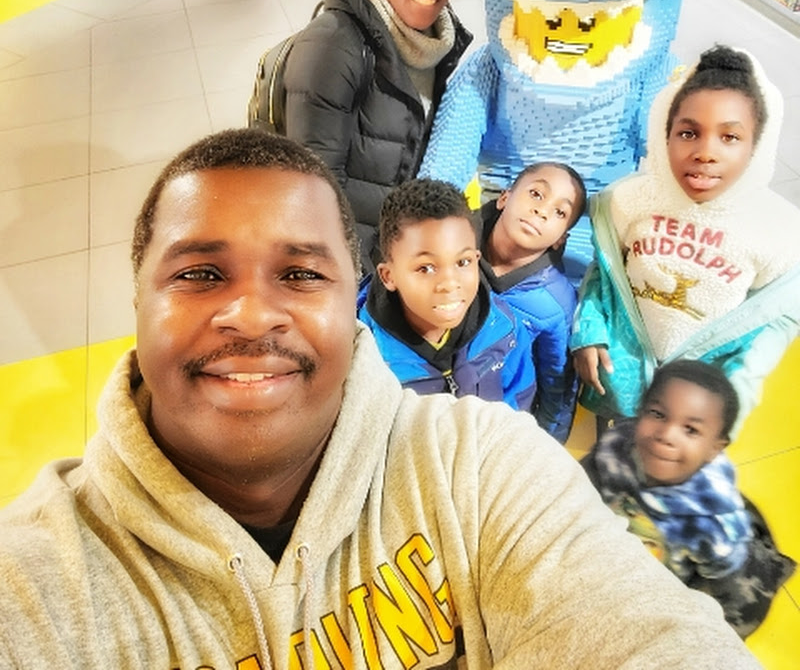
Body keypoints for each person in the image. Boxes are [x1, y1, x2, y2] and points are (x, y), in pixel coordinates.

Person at [0, 128, 760, 667]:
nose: (254, 315)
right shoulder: (40, 585)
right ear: (136, 302)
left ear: (349, 299)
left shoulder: (478, 464)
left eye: (301, 274)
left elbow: (639, 629)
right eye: (200, 274)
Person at [571, 45, 800, 436]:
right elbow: (604, 277)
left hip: (694, 413)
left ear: (757, 146)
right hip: (618, 384)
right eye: (688, 133)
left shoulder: (775, 233)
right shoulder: (630, 202)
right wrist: (588, 332)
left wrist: (731, 401)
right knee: (609, 457)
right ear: (664, 134)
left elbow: (768, 325)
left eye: (730, 137)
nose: (705, 153)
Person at [283, 0, 472, 272]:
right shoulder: (334, 46)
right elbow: (313, 194)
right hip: (355, 265)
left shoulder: (438, 43)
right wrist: (367, 281)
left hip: (397, 253)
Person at [581, 359, 796, 637]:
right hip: (613, 561)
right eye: (657, 414)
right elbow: (575, 490)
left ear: (715, 448)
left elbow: (739, 607)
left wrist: (696, 638)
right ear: (640, 411)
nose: (666, 435)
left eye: (691, 430)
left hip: (670, 589)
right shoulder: (615, 449)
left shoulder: (712, 523)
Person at [357, 178, 535, 410]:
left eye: (463, 262)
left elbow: (518, 400)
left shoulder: (504, 327)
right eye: (426, 268)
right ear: (389, 277)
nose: (450, 284)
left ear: (477, 259)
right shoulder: (362, 354)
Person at [480, 161, 587, 442]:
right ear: (504, 197)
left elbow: (557, 392)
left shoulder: (558, 303)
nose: (542, 211)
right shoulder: (452, 246)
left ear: (561, 239)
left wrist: (546, 450)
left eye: (560, 212)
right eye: (536, 194)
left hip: (496, 433)